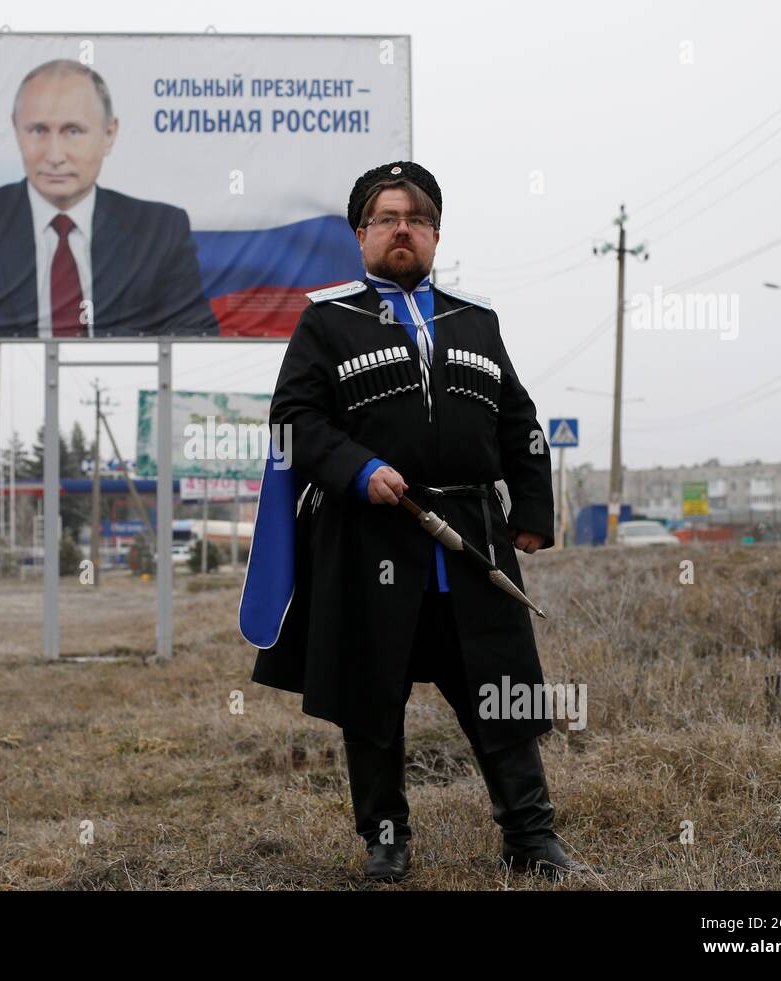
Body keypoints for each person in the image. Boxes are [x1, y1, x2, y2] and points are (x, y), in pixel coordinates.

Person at [239, 161, 587, 882]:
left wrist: (530, 508)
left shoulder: (476, 318)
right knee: (372, 698)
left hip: (471, 539)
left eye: (417, 220)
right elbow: (293, 421)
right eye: (387, 219)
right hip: (370, 540)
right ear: (361, 234)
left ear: (435, 234)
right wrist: (359, 469)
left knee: (503, 690)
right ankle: (387, 843)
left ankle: (531, 837)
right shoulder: (326, 320)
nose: (404, 230)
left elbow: (518, 419)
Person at [0, 59, 218, 338]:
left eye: (73, 131)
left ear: (109, 135)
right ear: (16, 131)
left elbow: (194, 339)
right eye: (38, 130)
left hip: (114, 393)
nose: (55, 156)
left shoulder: (160, 231)